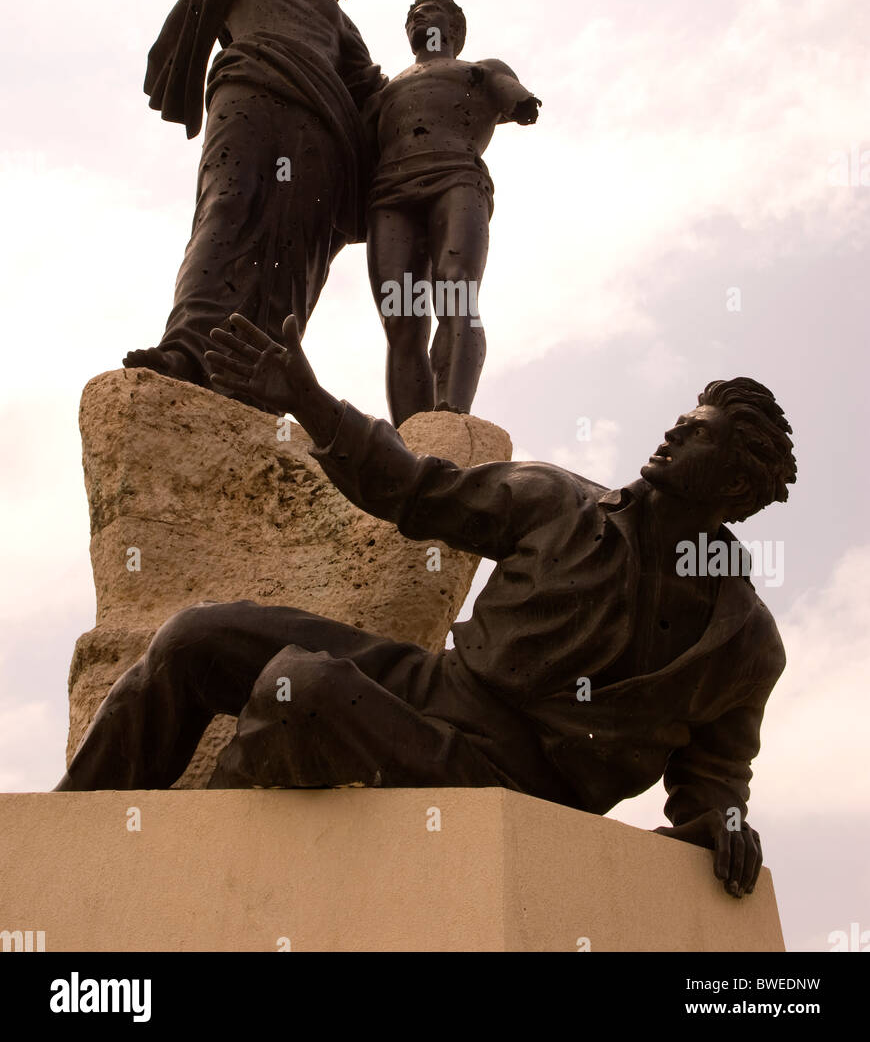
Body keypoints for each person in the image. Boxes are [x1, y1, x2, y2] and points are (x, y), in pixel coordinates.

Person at [58, 313, 796, 899]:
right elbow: (413, 490)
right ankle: (55, 842)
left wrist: (727, 819)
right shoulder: (557, 501)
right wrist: (309, 402)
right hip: (433, 688)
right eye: (682, 418)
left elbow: (715, 779)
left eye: (699, 434)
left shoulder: (743, 644)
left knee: (309, 692)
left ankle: (182, 886)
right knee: (198, 636)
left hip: (512, 783)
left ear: (734, 487)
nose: (673, 431)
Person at [123, 0, 385, 390]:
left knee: (291, 249)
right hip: (248, 99)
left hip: (322, 133)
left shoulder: (339, 25)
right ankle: (186, 349)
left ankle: (261, 376)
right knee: (226, 210)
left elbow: (376, 100)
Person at [366, 0, 539, 423]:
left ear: (455, 30)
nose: (418, 17)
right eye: (411, 15)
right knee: (400, 314)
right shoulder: (385, 89)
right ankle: (409, 434)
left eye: (430, 12)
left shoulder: (481, 71)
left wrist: (519, 101)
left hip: (456, 175)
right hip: (390, 192)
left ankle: (451, 412)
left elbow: (517, 101)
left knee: (455, 287)